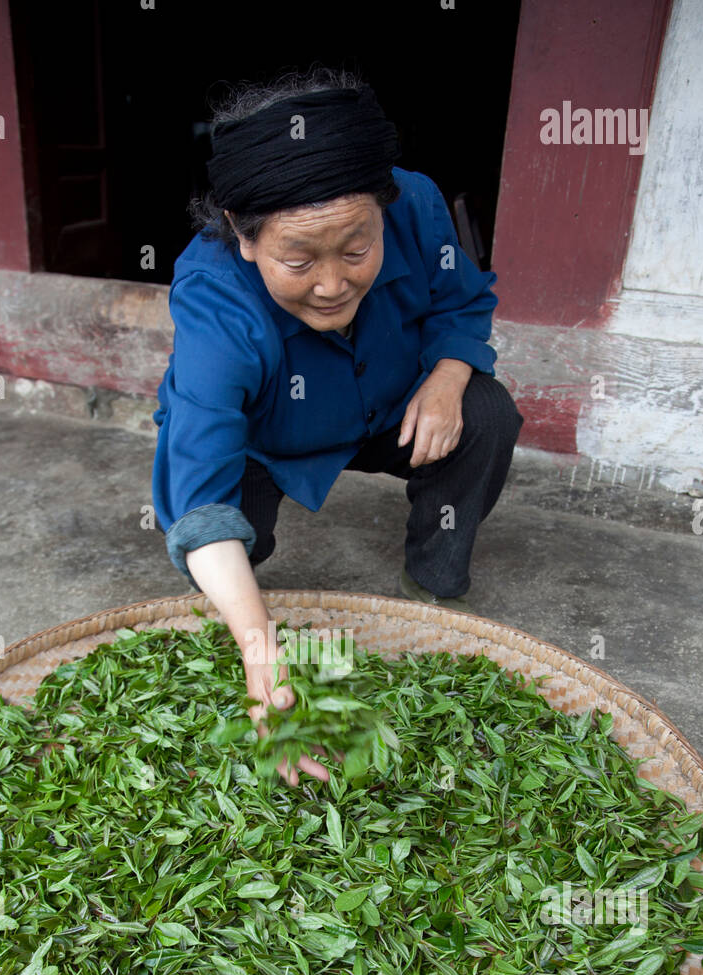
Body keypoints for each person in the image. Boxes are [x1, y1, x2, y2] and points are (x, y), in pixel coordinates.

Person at [151, 68, 523, 784]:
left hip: (391, 408)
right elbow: (198, 492)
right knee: (227, 560)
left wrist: (448, 377)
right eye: (298, 259)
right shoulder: (216, 305)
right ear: (243, 235)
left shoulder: (411, 202)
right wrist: (261, 649)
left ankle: (433, 582)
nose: (332, 283)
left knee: (486, 411)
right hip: (270, 439)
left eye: (356, 250)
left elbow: (460, 300)